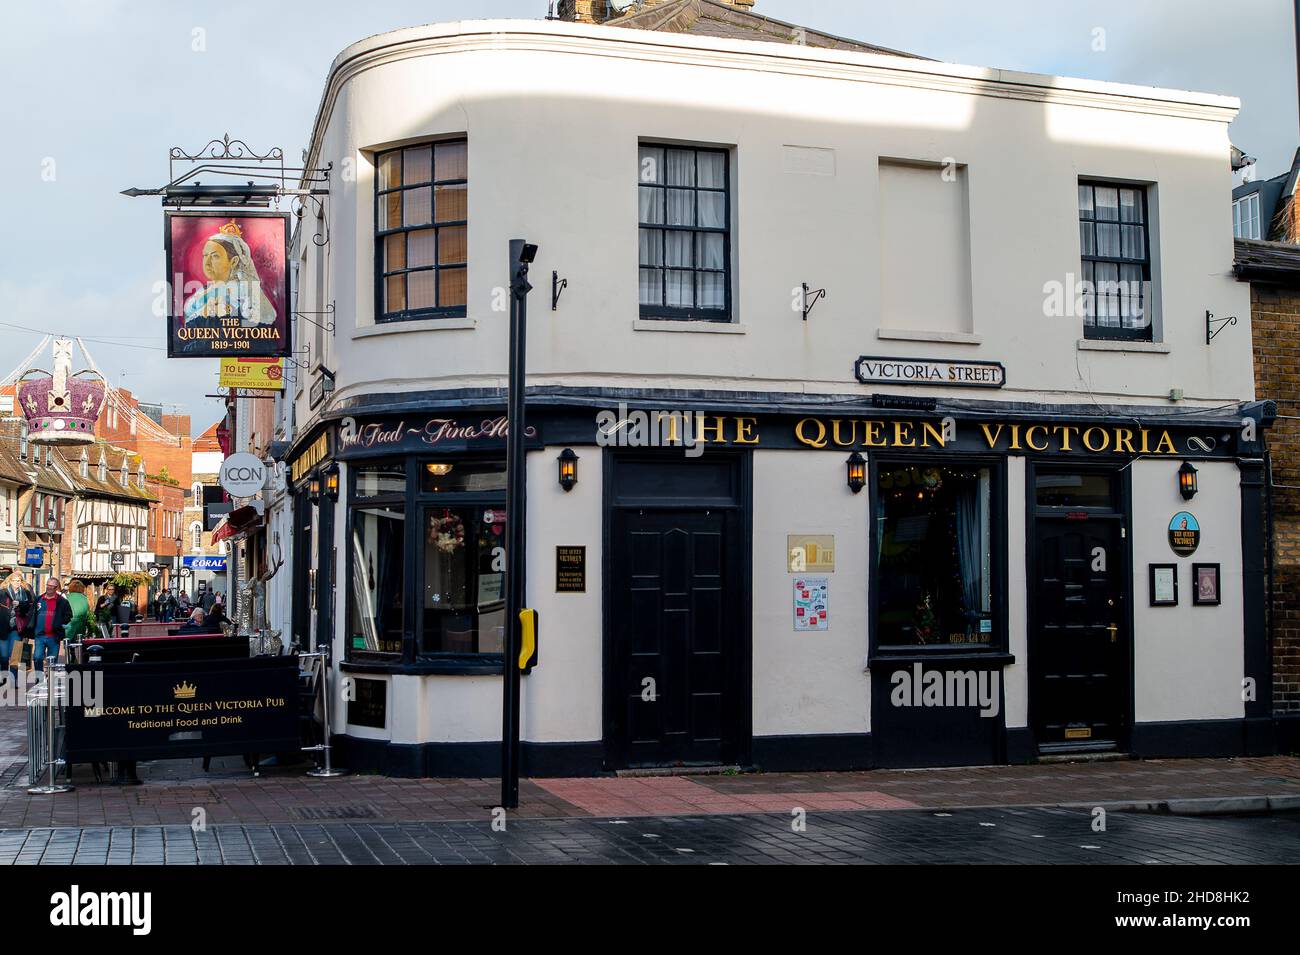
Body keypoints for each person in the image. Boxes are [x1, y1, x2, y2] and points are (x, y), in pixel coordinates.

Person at [31, 577, 72, 675]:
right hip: (40, 635)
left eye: (52, 586)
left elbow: (69, 615)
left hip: (54, 636)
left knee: (52, 661)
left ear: (56, 588)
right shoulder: (39, 599)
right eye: (48, 585)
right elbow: (32, 613)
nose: (49, 588)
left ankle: (50, 679)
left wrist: (59, 623)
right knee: (37, 658)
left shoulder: (62, 601)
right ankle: (39, 678)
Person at [3, 572, 34, 679]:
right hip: (3, 627)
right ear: (10, 581)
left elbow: (31, 606)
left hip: (18, 627)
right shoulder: (3, 592)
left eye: (20, 580)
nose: (18, 583)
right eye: (16, 581)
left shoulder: (26, 593)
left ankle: (13, 679)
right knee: (3, 656)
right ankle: (3, 677)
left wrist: (21, 604)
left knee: (15, 655)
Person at [64, 579, 90, 644]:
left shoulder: (66, 597)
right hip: (80, 627)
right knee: (78, 647)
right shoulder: (85, 599)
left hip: (69, 627)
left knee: (68, 647)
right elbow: (87, 614)